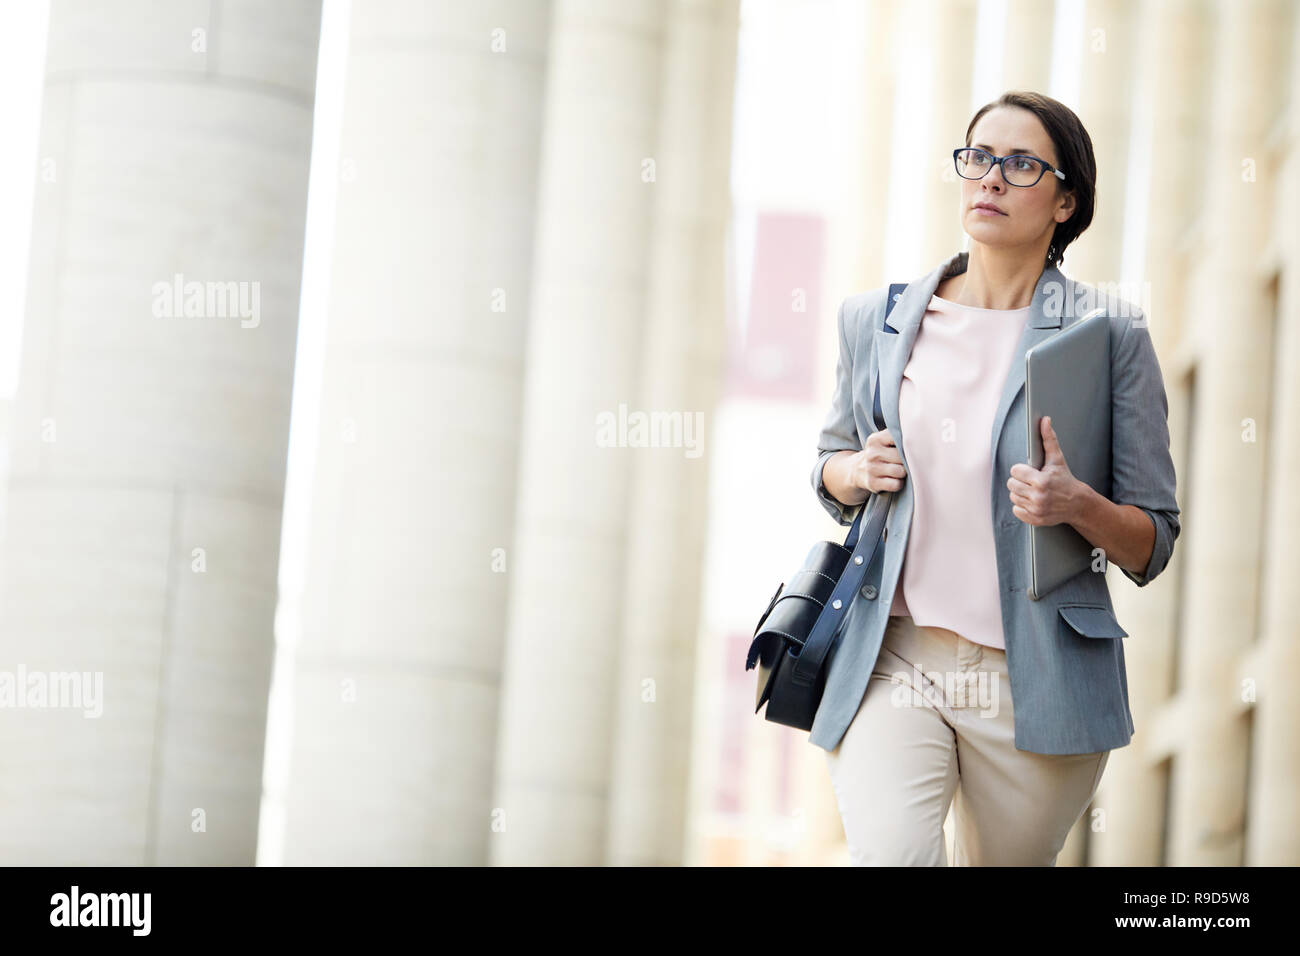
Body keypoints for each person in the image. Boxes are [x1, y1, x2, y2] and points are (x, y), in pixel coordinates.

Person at [809, 90, 1180, 866]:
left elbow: (1153, 541)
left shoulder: (1111, 337)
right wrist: (853, 470)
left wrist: (1077, 505)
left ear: (1065, 200)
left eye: (1021, 164)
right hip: (894, 655)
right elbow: (829, 467)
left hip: (1035, 677)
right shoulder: (875, 321)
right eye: (978, 157)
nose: (991, 179)